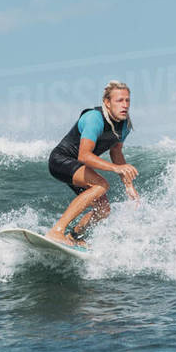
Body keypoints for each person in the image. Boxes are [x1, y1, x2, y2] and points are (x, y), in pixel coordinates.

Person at [46, 81, 139, 247]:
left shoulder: (125, 125)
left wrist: (128, 184)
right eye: (119, 101)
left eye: (127, 100)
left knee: (103, 210)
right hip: (61, 161)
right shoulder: (94, 118)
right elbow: (84, 155)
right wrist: (116, 168)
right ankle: (56, 231)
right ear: (107, 102)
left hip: (79, 168)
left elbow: (116, 153)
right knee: (101, 185)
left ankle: (73, 236)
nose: (125, 105)